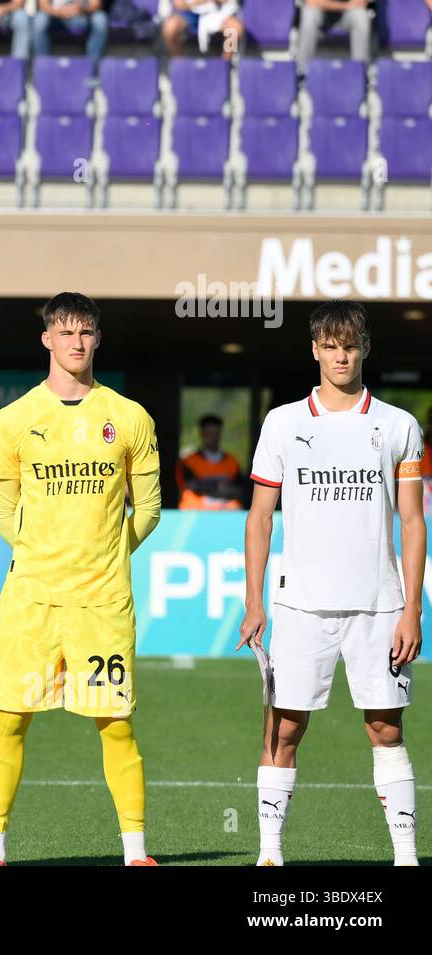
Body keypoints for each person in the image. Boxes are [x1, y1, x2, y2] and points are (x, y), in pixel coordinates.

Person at [0, 292, 162, 867]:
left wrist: (105, 553)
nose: (76, 342)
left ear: (97, 338)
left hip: (103, 604)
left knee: (116, 726)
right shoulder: (13, 421)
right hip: (32, 601)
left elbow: (148, 508)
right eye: (65, 331)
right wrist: (39, 551)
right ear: (47, 339)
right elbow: (2, 511)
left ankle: (135, 853)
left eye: (86, 332)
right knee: (10, 720)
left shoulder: (129, 416)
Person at [239, 301, 425, 868]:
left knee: (386, 731)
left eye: (351, 345)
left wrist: (412, 610)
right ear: (315, 350)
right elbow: (259, 517)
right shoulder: (284, 422)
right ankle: (270, 856)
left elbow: (413, 521)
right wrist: (254, 603)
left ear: (365, 349)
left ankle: (406, 857)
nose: (341, 356)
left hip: (378, 607)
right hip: (300, 608)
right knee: (283, 729)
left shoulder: (398, 426)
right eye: (330, 346)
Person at [176, 413, 244, 510]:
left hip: (225, 509)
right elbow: (191, 486)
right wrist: (218, 487)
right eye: (209, 433)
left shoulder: (232, 462)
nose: (212, 437)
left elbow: (239, 490)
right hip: (196, 509)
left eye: (215, 433)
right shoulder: (188, 461)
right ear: (201, 433)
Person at [30, 0, 110, 66]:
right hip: (54, 18)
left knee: (100, 19)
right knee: (40, 19)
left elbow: (95, 4)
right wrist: (60, 12)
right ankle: (43, 68)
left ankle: (93, 70)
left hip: (81, 18)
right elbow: (43, 5)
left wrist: (81, 8)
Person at [297, 0, 371, 70]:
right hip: (321, 12)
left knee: (360, 16)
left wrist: (347, 6)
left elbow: (361, 2)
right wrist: (345, 6)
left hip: (348, 14)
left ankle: (360, 72)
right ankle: (303, 72)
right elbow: (311, 1)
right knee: (309, 14)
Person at [162, 0, 243, 58]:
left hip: (219, 12)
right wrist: (196, 3)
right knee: (170, 27)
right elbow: (178, 4)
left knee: (235, 30)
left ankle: (226, 65)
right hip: (191, 13)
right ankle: (180, 63)